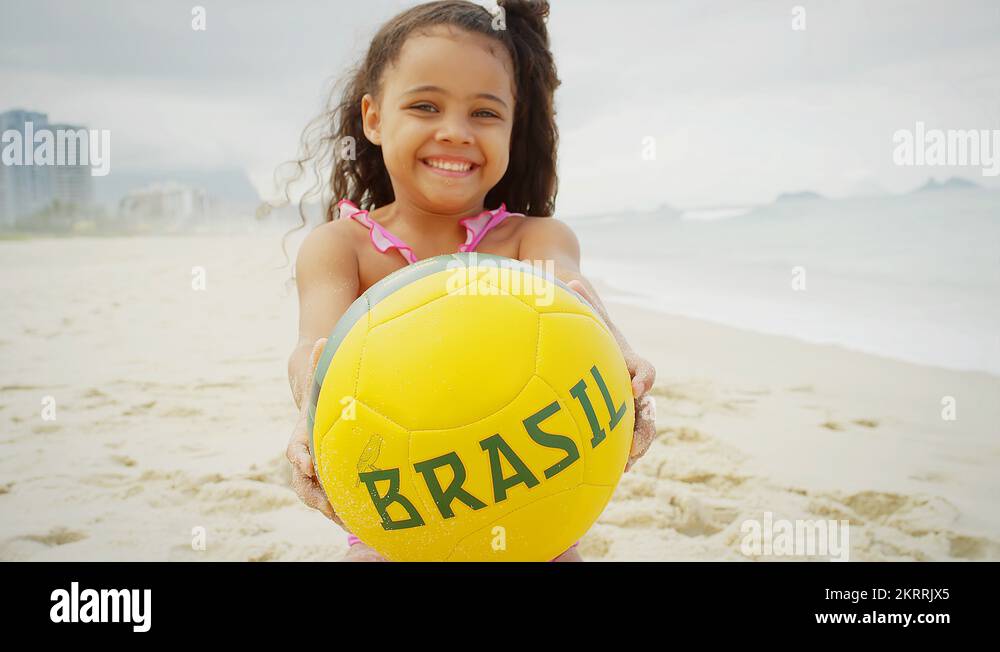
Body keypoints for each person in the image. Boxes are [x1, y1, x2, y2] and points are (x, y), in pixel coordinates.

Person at [283, 0, 656, 561]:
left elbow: (570, 292)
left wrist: (619, 357)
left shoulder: (532, 240)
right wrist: (310, 423)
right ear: (375, 117)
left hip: (538, 511)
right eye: (426, 105)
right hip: (403, 518)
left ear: (513, 125)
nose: (455, 132)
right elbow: (314, 350)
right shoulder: (341, 248)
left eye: (485, 113)